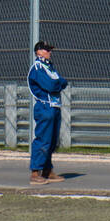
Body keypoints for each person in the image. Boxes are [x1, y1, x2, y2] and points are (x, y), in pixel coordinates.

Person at [27, 40, 68, 183]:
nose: (50, 52)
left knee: (52, 141)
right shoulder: (38, 68)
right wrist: (58, 84)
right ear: (39, 52)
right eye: (47, 50)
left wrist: (59, 83)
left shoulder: (50, 67)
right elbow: (51, 85)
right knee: (43, 139)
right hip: (45, 107)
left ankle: (47, 170)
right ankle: (35, 173)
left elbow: (63, 82)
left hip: (55, 106)